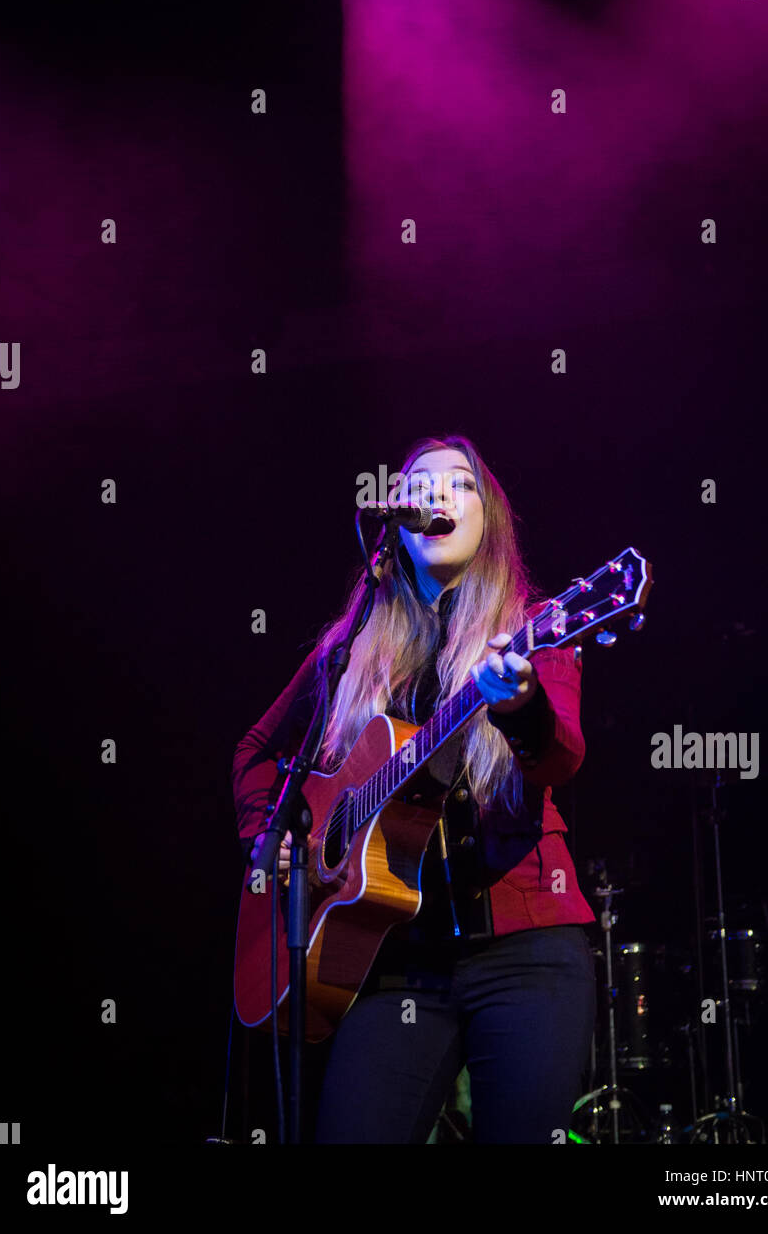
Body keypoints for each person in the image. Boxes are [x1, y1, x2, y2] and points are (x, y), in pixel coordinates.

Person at [232, 434, 597, 1144]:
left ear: (487, 518)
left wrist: (518, 705)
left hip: (526, 954)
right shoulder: (350, 649)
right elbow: (256, 750)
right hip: (395, 961)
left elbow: (560, 761)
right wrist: (268, 835)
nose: (435, 496)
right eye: (418, 486)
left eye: (458, 484)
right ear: (397, 524)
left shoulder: (534, 630)